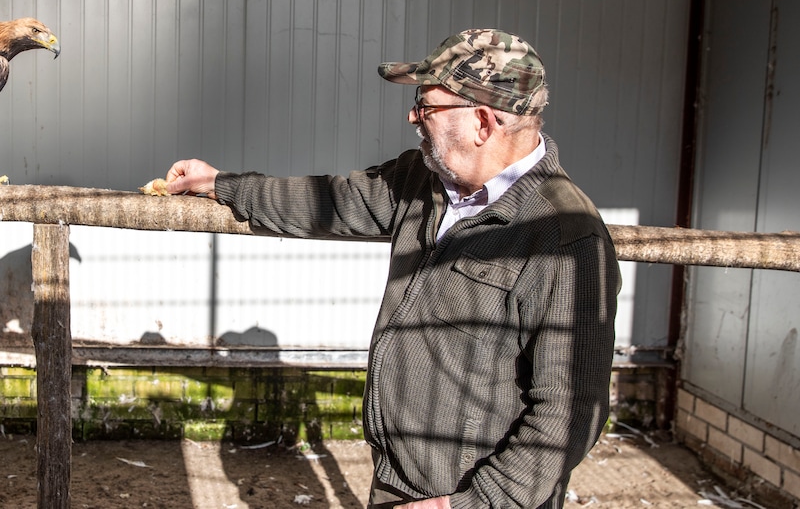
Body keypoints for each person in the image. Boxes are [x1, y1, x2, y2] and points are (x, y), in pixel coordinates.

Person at [163, 29, 619, 508]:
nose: (412, 117)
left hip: (468, 496)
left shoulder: (567, 238)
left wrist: (467, 505)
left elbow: (569, 412)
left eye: (427, 106)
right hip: (397, 476)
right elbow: (330, 200)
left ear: (483, 122)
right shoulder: (425, 180)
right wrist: (222, 183)